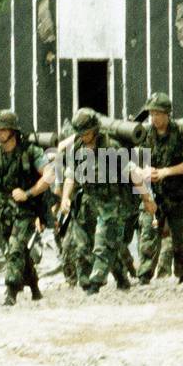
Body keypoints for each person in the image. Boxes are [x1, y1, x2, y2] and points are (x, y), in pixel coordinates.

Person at [0, 109, 52, 305]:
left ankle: (11, 292)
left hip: (25, 210)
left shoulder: (30, 151)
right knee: (13, 252)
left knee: (16, 248)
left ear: (13, 131)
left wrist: (28, 193)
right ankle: (33, 284)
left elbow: (50, 175)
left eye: (3, 130)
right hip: (2, 211)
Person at [60, 108, 137, 294]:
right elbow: (71, 175)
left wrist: (146, 199)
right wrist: (65, 198)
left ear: (94, 129)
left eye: (85, 133)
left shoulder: (112, 146)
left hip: (111, 201)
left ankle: (95, 284)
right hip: (87, 201)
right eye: (79, 133)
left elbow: (132, 172)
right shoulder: (77, 148)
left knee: (103, 243)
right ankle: (112, 277)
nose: (83, 137)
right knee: (83, 244)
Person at [135, 93, 183, 284]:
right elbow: (133, 164)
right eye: (152, 114)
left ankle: (182, 277)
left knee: (180, 241)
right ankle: (144, 277)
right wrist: (144, 172)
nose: (154, 118)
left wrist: (165, 172)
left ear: (168, 114)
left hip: (179, 195)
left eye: (158, 113)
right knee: (147, 234)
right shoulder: (145, 134)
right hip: (154, 196)